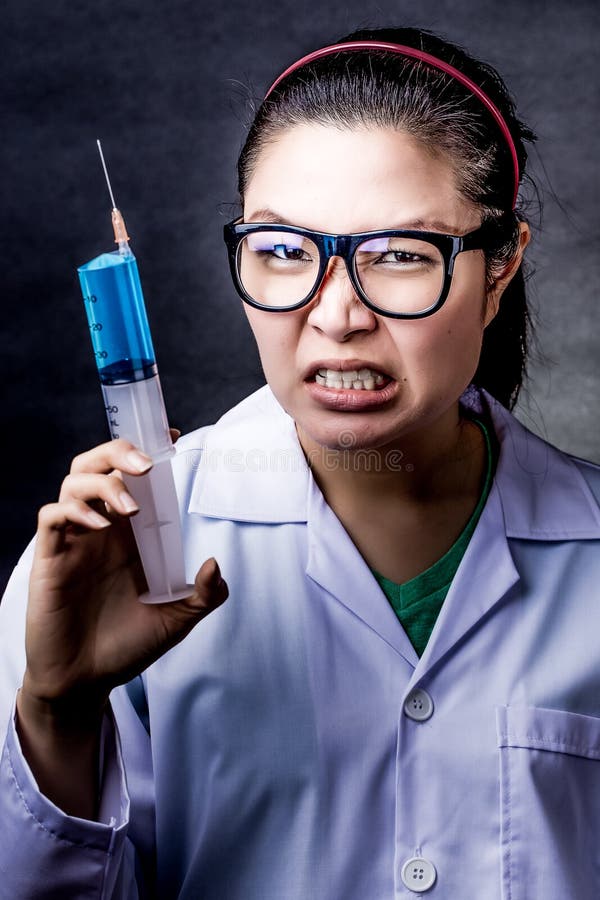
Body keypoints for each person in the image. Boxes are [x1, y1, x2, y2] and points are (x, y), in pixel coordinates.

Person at [1, 24, 599, 900]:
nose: (337, 314)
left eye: (399, 255)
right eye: (284, 251)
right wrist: (56, 713)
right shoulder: (116, 552)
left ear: (500, 266)